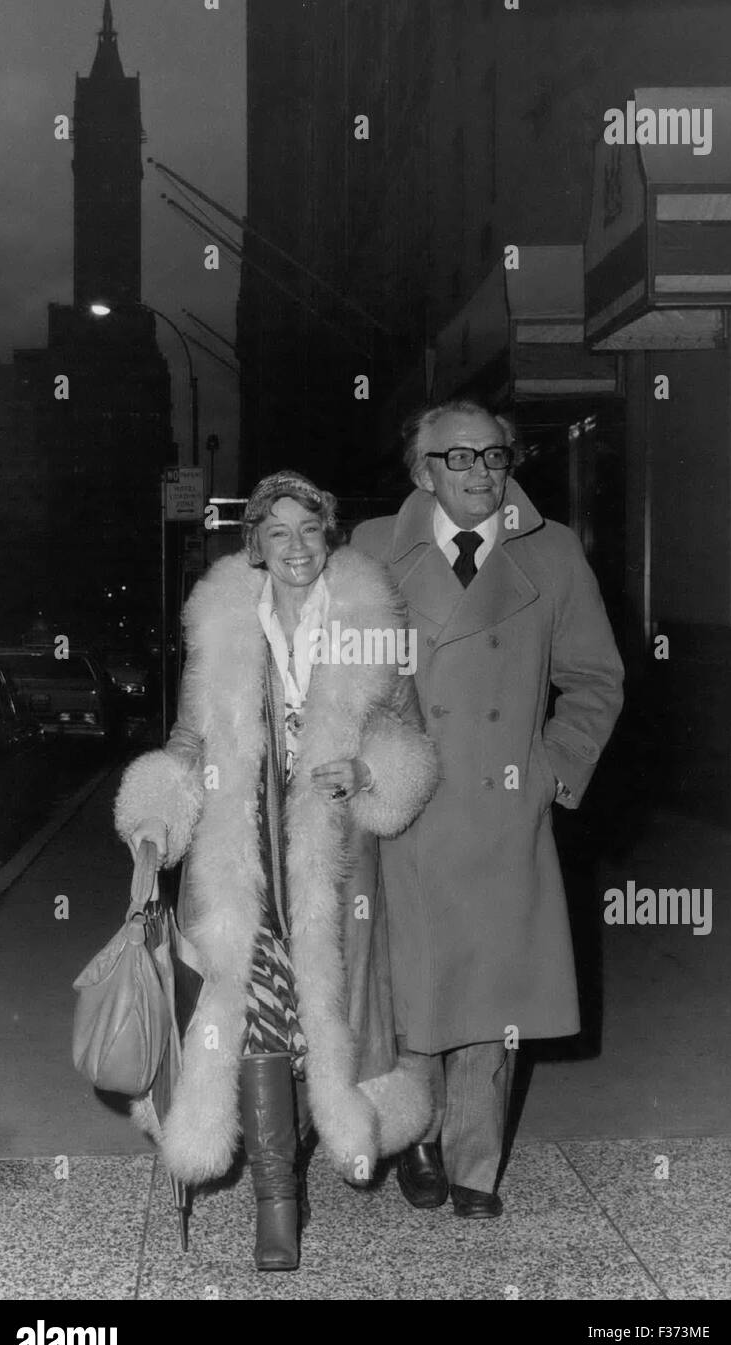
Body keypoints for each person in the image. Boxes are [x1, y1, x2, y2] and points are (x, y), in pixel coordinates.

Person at [115, 471, 438, 1271]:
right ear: (254, 542)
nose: (296, 548)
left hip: (331, 864)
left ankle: (322, 1145)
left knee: (326, 1013)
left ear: (329, 537)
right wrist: (157, 810)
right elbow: (191, 737)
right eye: (278, 532)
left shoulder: (369, 618)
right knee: (249, 1014)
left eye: (311, 531)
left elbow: (404, 731)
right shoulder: (224, 625)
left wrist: (366, 774)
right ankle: (276, 1204)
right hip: (238, 855)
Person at [351, 400, 624, 1219]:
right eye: (458, 457)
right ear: (421, 471)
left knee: (493, 992)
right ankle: (419, 1136)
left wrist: (548, 770)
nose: (480, 472)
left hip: (505, 803)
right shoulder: (371, 549)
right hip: (409, 802)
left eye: (495, 456)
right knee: (419, 985)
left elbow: (596, 679)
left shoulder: (555, 552)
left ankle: (474, 1161)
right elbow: (334, 669)